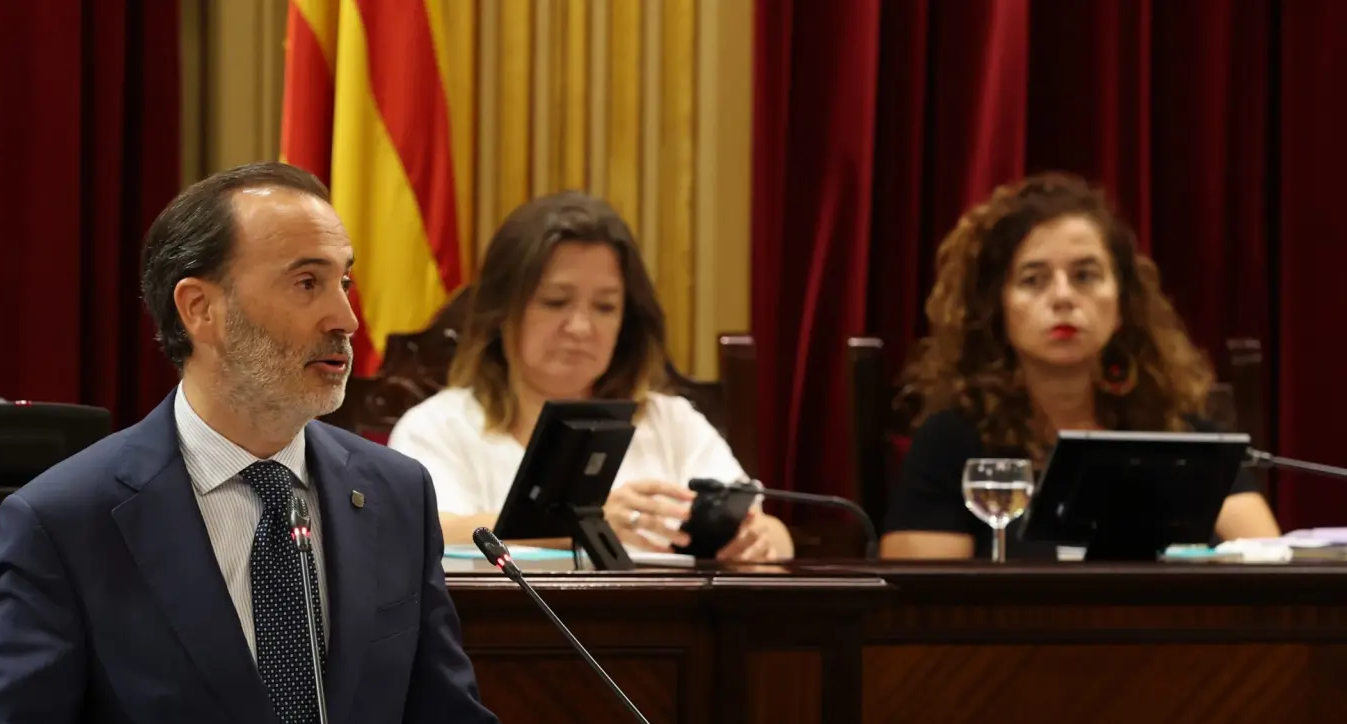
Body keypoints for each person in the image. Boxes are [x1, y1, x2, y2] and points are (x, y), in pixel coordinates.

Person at [0, 162, 633, 724]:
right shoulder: (70, 517)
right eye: (307, 284)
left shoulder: (394, 495)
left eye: (345, 282)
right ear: (201, 309)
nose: (345, 318)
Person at [883, 173, 1280, 559]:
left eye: (1085, 276)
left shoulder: (1172, 429)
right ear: (995, 307)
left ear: (1123, 301)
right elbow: (920, 604)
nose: (1062, 297)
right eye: (1033, 279)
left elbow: (1266, 563)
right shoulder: (953, 442)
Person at [387, 191, 792, 561]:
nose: (580, 327)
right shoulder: (438, 427)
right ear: (502, 312)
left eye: (604, 307)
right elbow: (421, 534)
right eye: (556, 302)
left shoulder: (670, 422)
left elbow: (770, 531)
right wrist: (584, 524)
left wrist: (759, 543)